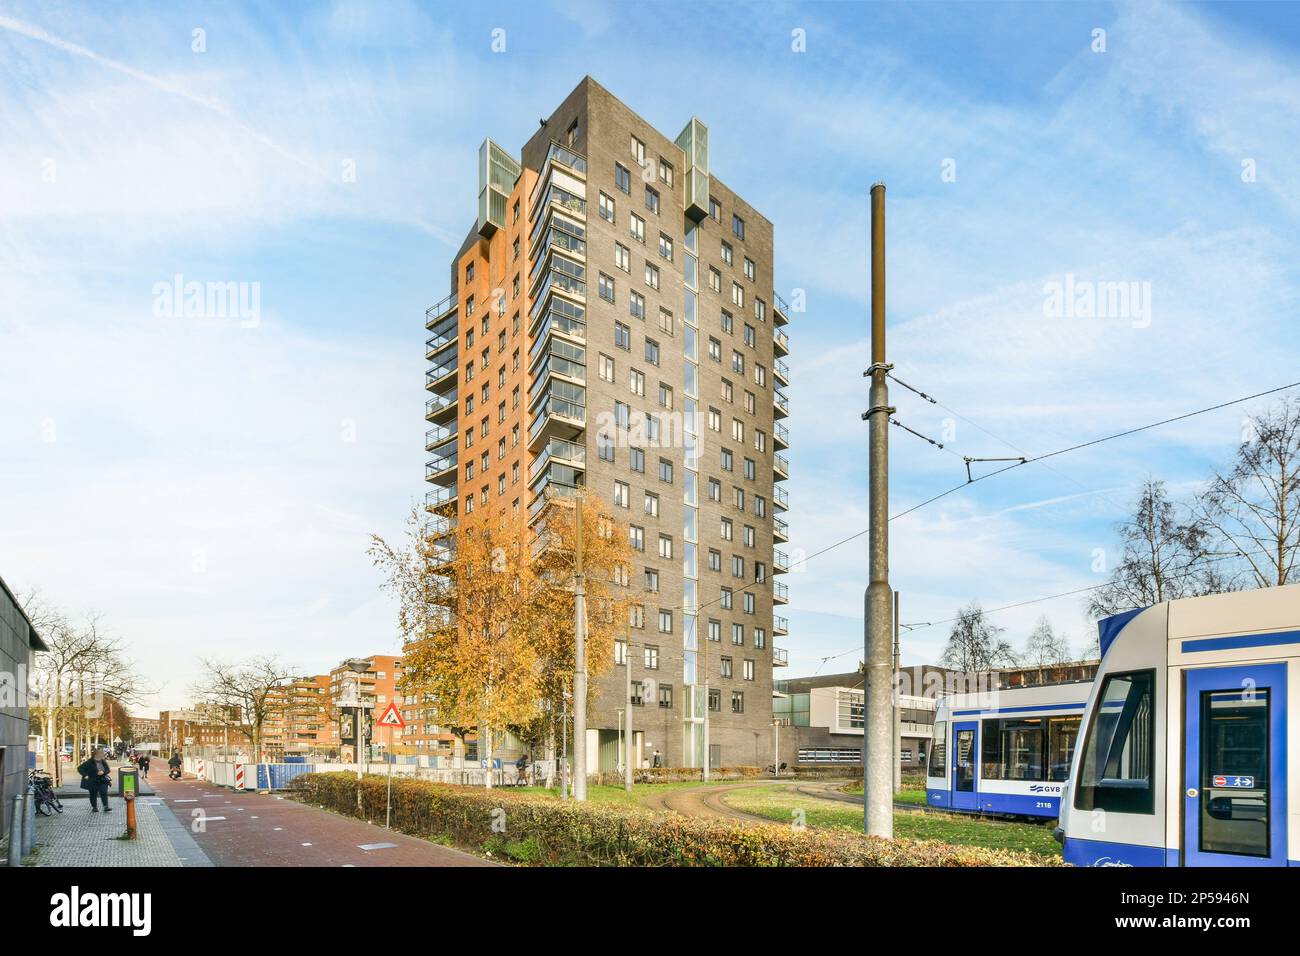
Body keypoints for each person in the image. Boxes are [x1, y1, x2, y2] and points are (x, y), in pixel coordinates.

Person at [77, 748, 113, 813]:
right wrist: (85, 775)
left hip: (102, 780)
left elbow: (108, 769)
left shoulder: (103, 761)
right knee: (93, 794)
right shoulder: (89, 762)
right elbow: (80, 768)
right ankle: (94, 807)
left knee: (104, 792)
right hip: (92, 780)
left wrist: (103, 772)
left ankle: (106, 806)